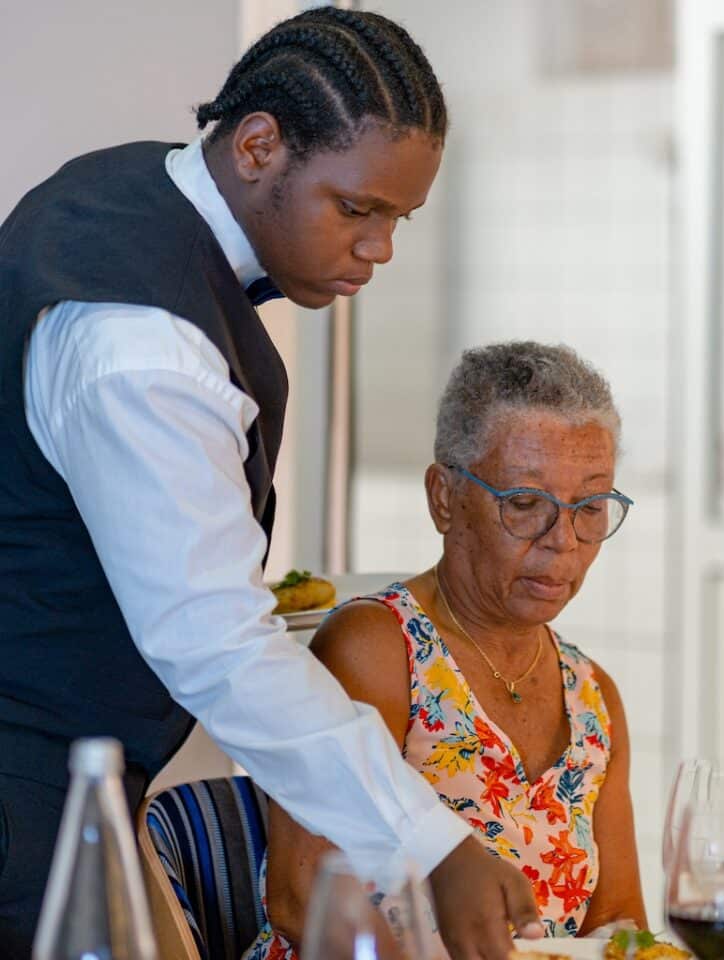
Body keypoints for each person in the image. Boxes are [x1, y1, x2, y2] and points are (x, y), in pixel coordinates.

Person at [0, 7, 542, 958]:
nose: (380, 251)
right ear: (257, 146)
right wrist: (431, 846)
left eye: (397, 219)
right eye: (357, 209)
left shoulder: (128, 193)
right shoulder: (145, 347)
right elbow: (215, 645)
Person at [250, 341, 648, 959]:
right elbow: (304, 900)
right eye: (525, 504)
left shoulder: (594, 695)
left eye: (590, 507)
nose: (563, 540)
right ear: (444, 497)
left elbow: (620, 922)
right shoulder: (377, 650)